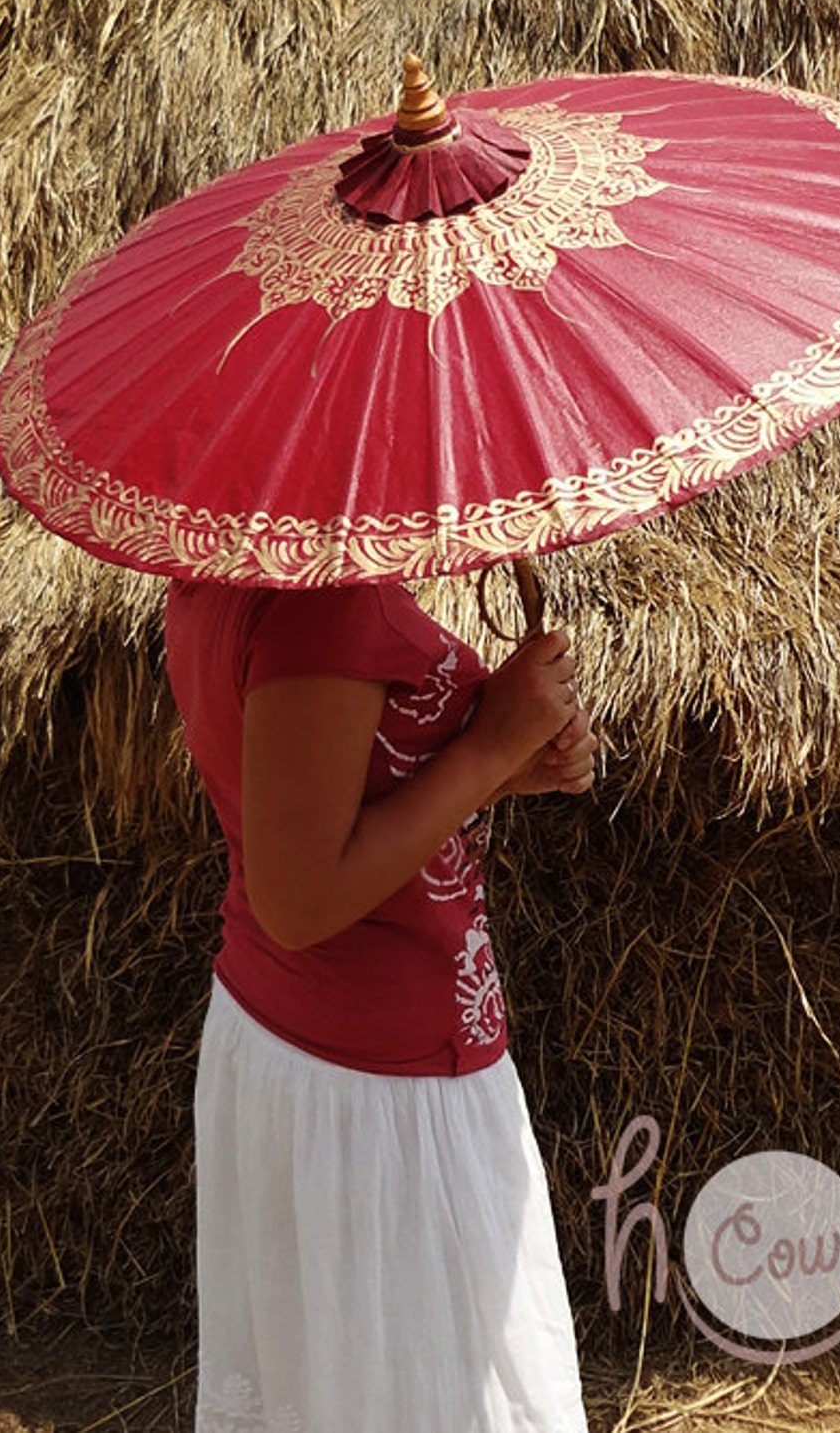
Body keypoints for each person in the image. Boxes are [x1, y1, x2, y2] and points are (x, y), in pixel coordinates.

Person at [164, 574, 598, 1433]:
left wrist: (502, 769)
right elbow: (299, 899)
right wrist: (487, 748)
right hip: (377, 1095)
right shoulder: (325, 604)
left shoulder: (232, 569)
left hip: (313, 1056)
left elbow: (322, 800)